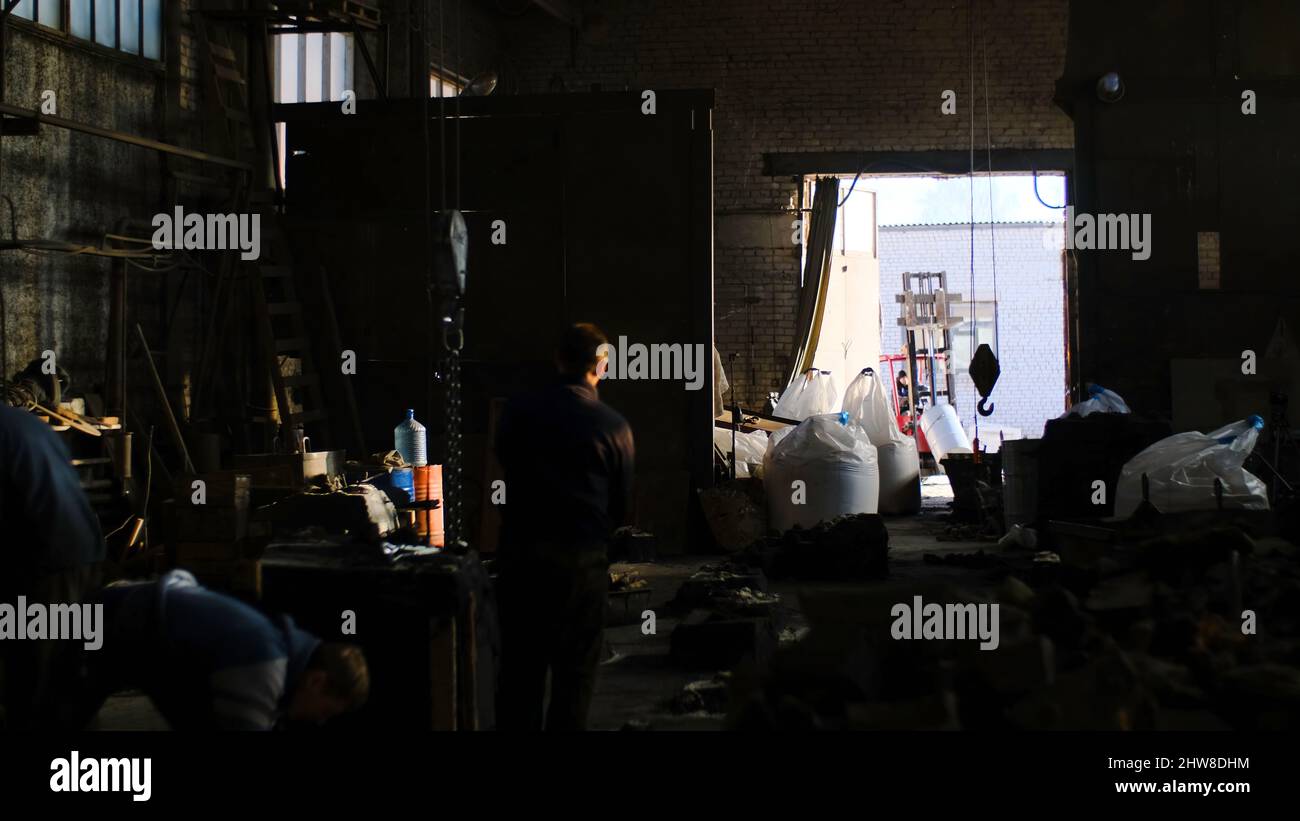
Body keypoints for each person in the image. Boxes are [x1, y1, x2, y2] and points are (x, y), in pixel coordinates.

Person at [494, 323, 635, 730]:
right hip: (580, 565)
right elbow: (619, 507)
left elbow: (505, 466)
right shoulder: (614, 427)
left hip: (521, 563)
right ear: (602, 366)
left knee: (520, 676)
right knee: (574, 678)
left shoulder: (518, 413)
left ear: (558, 360)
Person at [77, 570, 368, 730]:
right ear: (316, 681)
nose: (319, 721)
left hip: (126, 619)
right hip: (102, 622)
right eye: (326, 710)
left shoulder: (277, 645)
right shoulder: (265, 662)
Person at [0, 404, 105, 729]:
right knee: (70, 673)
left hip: (45, 566)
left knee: (36, 684)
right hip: (84, 555)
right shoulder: (24, 422)